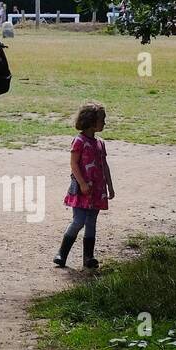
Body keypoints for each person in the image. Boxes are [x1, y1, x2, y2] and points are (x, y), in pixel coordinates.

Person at [54, 103, 114, 268]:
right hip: (82, 190)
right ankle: (62, 253)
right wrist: (82, 183)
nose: (104, 123)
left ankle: (88, 257)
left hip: (97, 190)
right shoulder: (79, 141)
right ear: (91, 122)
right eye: (102, 120)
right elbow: (74, 164)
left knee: (91, 222)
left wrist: (110, 185)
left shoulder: (100, 143)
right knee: (78, 221)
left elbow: (104, 165)